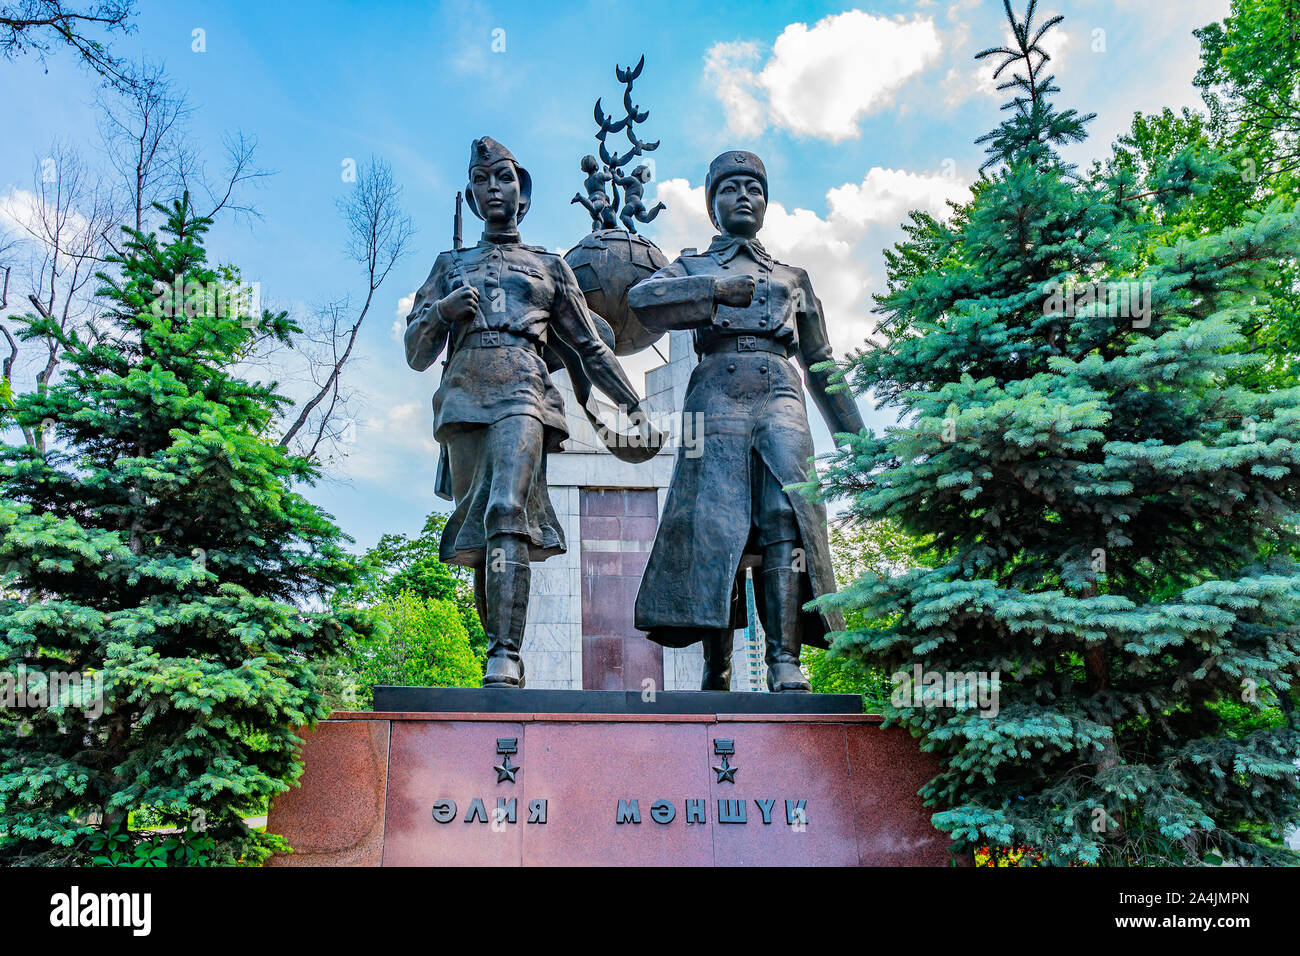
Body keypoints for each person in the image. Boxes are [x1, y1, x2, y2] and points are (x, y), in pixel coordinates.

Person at [405, 136, 647, 687]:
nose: (494, 188)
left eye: (504, 178)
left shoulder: (549, 265)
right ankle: (498, 651)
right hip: (465, 398)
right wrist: (442, 312)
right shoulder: (449, 265)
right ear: (471, 195)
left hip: (524, 391)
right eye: (482, 180)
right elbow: (416, 353)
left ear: (523, 192)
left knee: (506, 508)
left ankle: (505, 655)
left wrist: (631, 405)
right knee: (480, 532)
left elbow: (590, 345)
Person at [627, 150, 865, 692]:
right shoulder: (693, 268)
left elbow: (822, 360)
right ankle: (719, 667)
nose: (744, 197)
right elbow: (643, 302)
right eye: (730, 188)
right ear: (713, 206)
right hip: (715, 398)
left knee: (785, 515)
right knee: (720, 527)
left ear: (766, 202)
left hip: (781, 394)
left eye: (753, 188)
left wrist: (856, 438)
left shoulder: (792, 277)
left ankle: (786, 663)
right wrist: (713, 292)